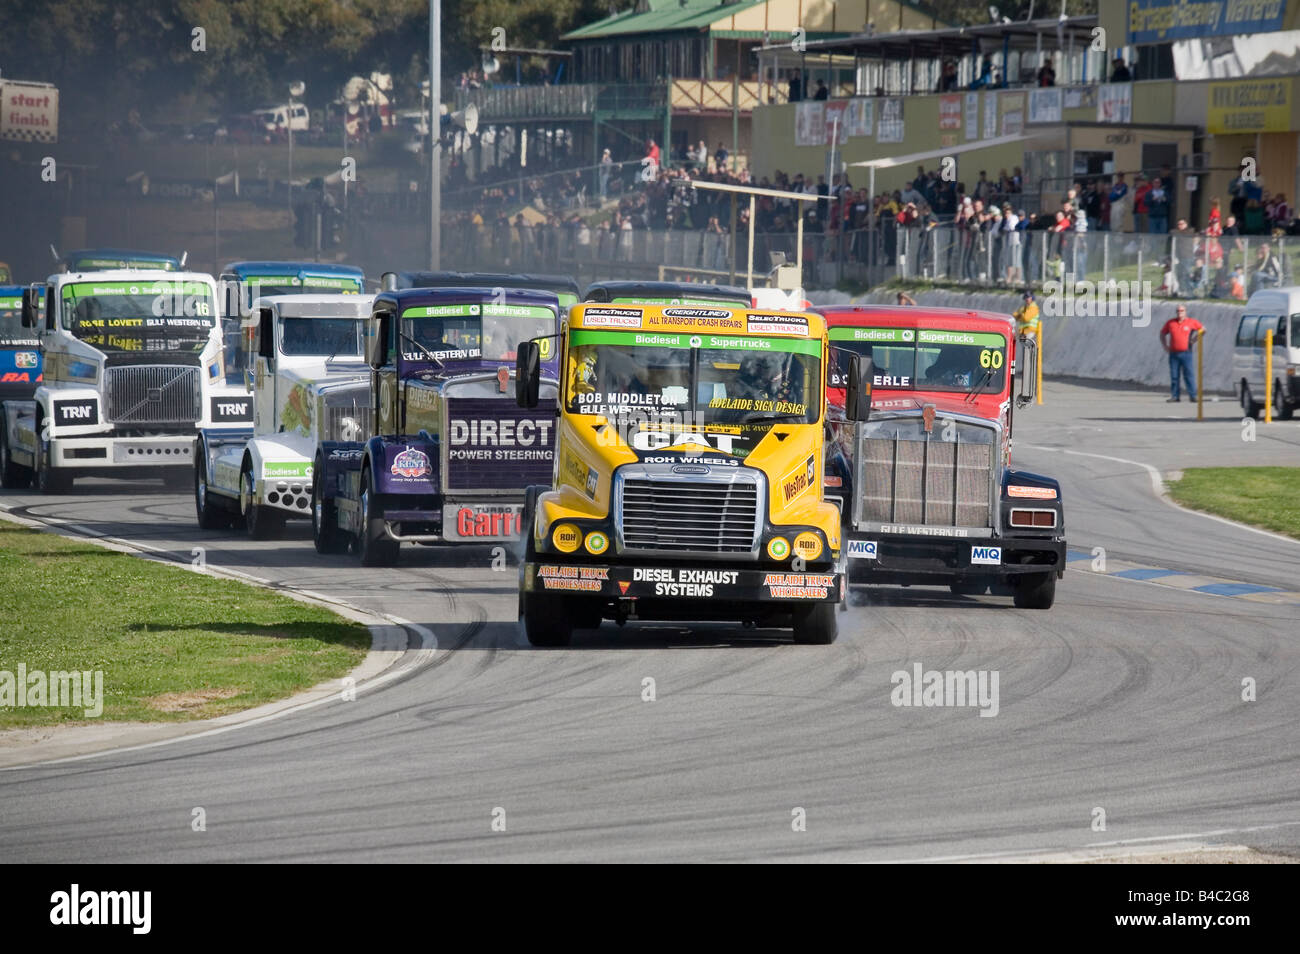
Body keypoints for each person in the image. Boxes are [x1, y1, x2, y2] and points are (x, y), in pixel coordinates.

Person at [1159, 305, 1204, 402]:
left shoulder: (1191, 322)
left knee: (1189, 375)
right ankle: (1175, 396)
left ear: (1185, 312)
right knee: (1174, 376)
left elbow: (1203, 330)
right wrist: (1165, 346)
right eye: (1178, 311)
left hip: (1186, 353)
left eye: (1182, 311)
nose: (1180, 313)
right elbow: (1162, 333)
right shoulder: (1171, 323)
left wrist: (1194, 340)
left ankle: (1193, 395)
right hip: (1173, 354)